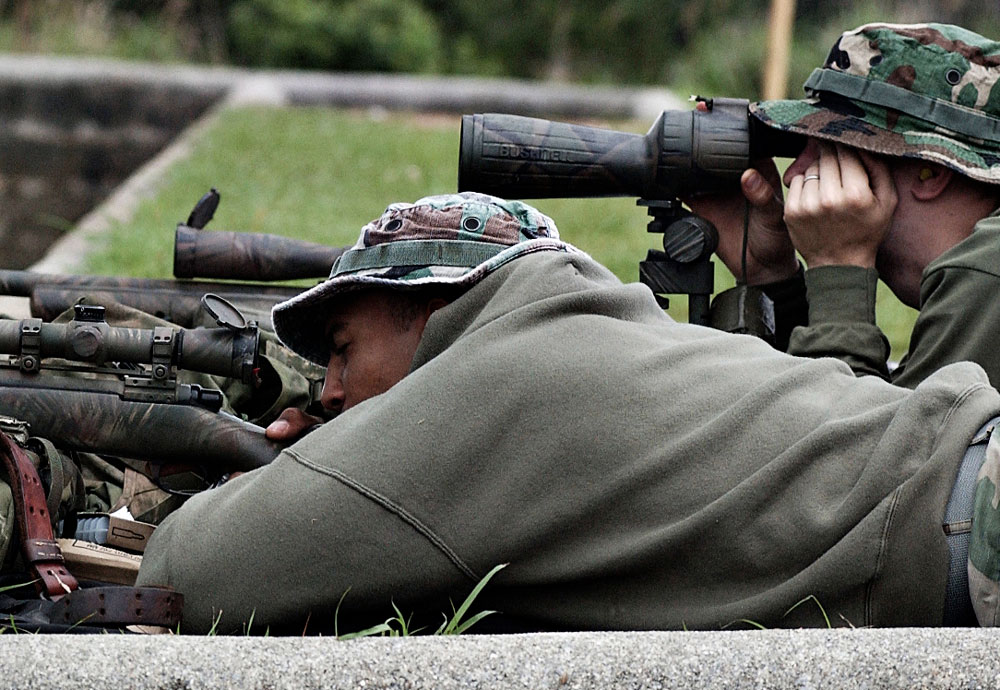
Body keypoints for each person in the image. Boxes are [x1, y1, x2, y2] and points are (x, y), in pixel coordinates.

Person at [137, 192, 1000, 634]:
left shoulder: (487, 388)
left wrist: (285, 475)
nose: (327, 389)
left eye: (342, 347)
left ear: (427, 308)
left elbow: (191, 575)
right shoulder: (591, 334)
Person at [689, 22, 1000, 387]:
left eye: (827, 148)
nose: (793, 176)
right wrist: (776, 280)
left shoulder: (987, 272)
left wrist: (839, 270)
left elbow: (871, 443)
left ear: (929, 171)